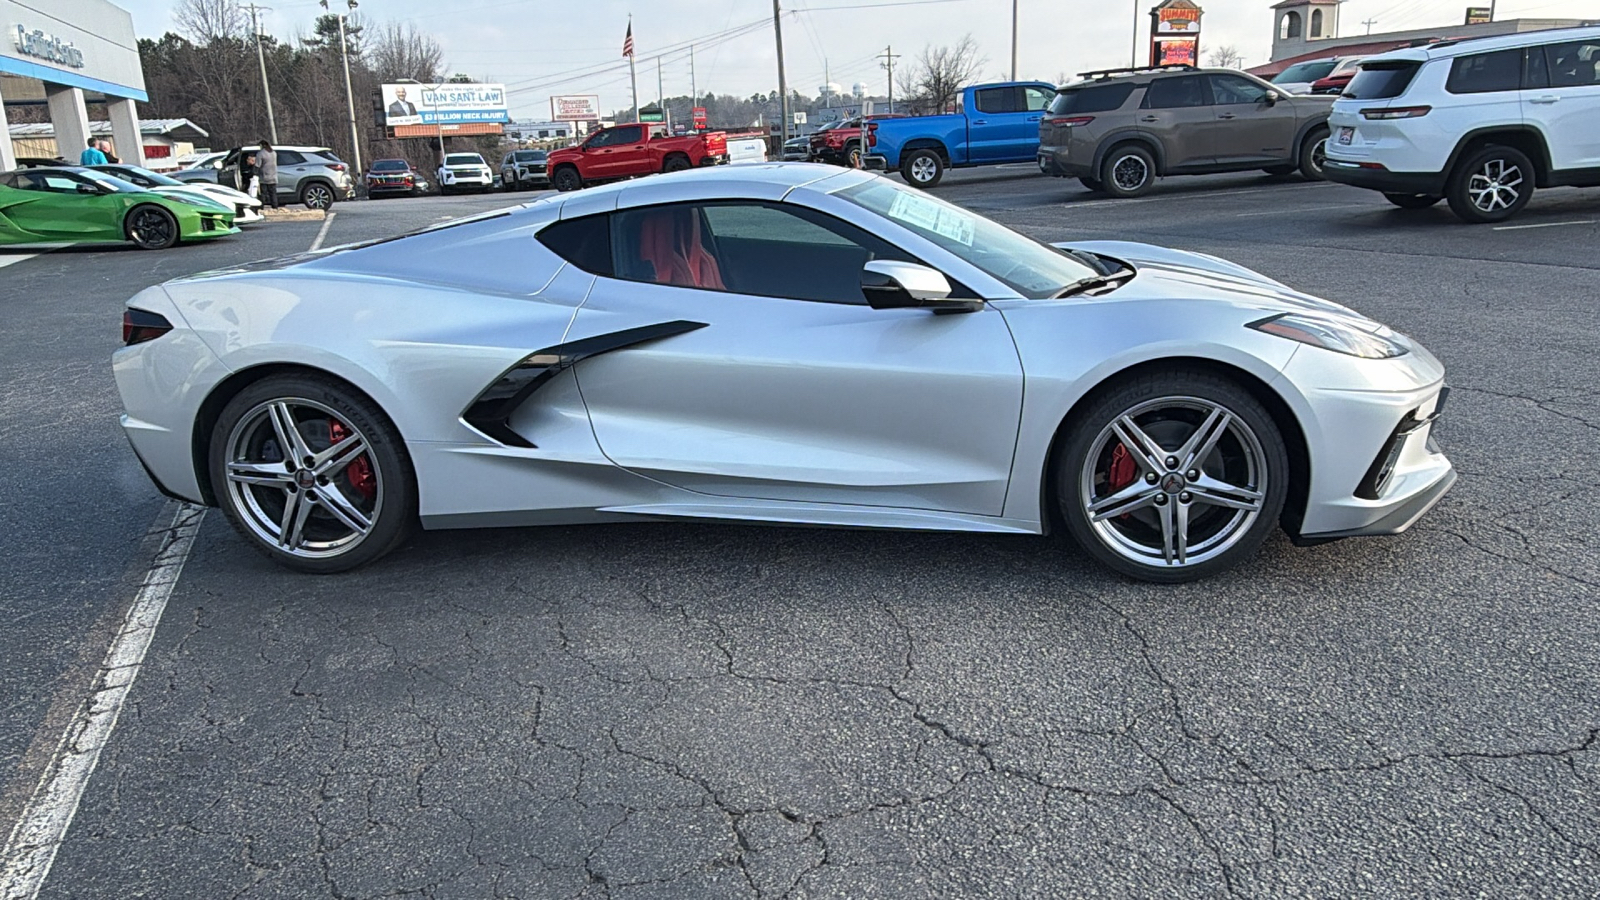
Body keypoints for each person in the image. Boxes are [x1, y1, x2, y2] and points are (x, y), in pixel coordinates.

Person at [255, 141, 279, 209]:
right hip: (273, 177)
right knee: (273, 194)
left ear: (262, 145)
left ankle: (261, 207)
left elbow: (257, 165)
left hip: (264, 177)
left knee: (263, 194)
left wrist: (254, 173)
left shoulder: (261, 154)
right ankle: (275, 207)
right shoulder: (274, 153)